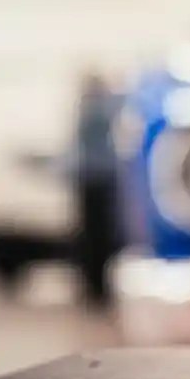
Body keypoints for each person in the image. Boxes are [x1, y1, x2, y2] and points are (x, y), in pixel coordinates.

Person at [73, 72, 123, 307]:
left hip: (95, 179)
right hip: (98, 179)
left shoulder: (93, 109)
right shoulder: (101, 108)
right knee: (97, 237)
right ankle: (96, 286)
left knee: (96, 237)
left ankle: (96, 285)